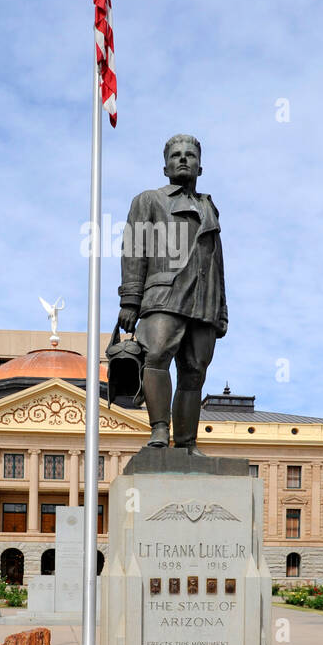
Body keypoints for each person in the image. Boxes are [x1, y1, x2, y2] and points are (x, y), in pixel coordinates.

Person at [117, 134, 227, 451]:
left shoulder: (209, 208)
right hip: (164, 295)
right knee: (156, 356)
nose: (182, 159)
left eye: (190, 155)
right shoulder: (149, 200)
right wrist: (130, 299)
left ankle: (187, 443)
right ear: (165, 167)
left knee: (194, 372)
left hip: (203, 301)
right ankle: (159, 430)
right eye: (176, 155)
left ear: (200, 167)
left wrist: (222, 310)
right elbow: (134, 250)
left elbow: (217, 260)